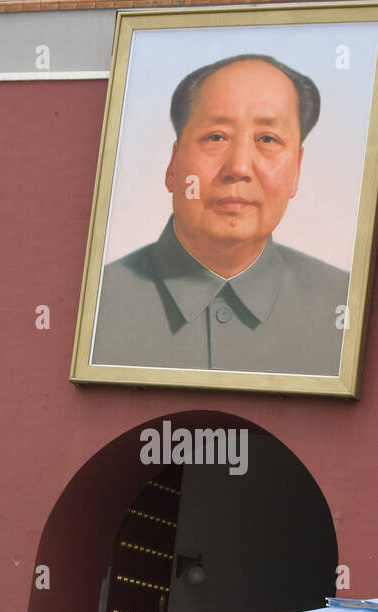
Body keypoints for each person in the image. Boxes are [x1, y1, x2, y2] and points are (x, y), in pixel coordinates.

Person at [91, 54, 349, 377]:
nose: (238, 168)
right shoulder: (96, 304)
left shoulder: (344, 307)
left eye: (267, 139)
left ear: (296, 170)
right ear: (173, 165)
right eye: (216, 137)